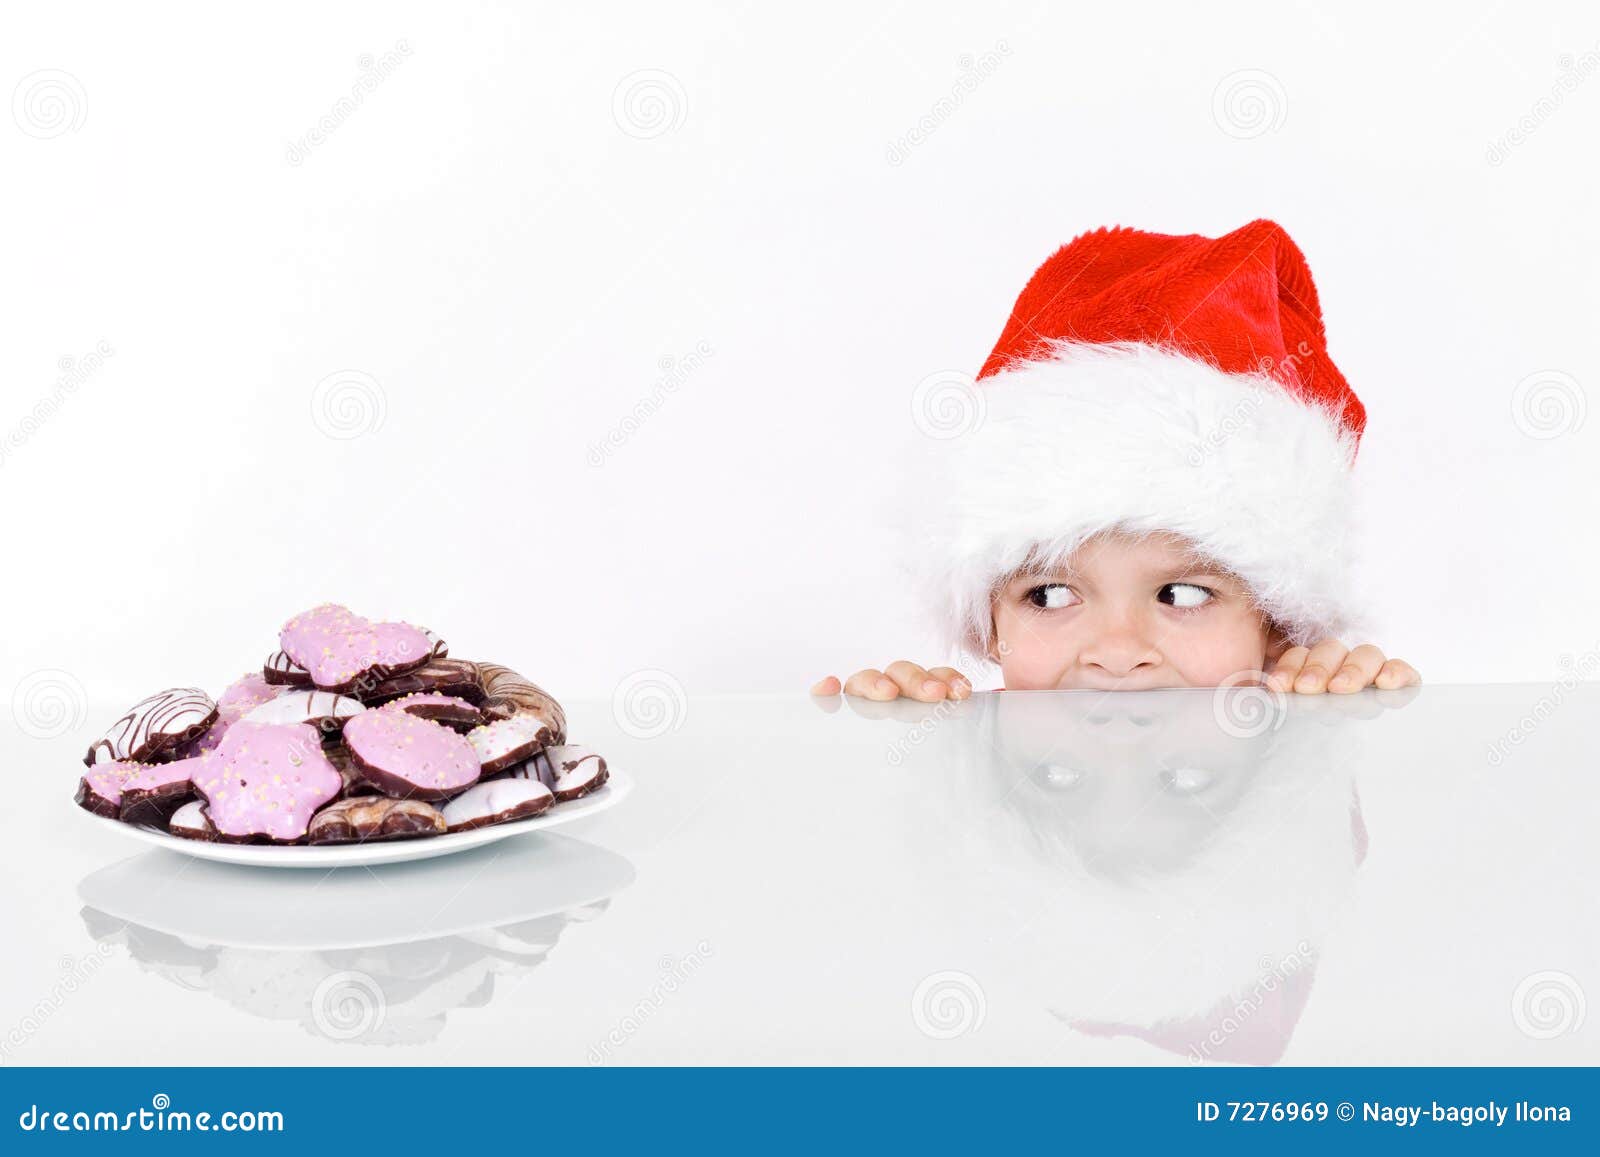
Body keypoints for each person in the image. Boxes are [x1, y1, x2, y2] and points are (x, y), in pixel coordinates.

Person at [812, 220, 1420, 703]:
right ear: (990, 629)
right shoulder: (980, 767)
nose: (1119, 653)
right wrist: (925, 765)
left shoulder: (1286, 757)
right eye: (1049, 595)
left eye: (1182, 594)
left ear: (1277, 629)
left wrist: (1332, 732)